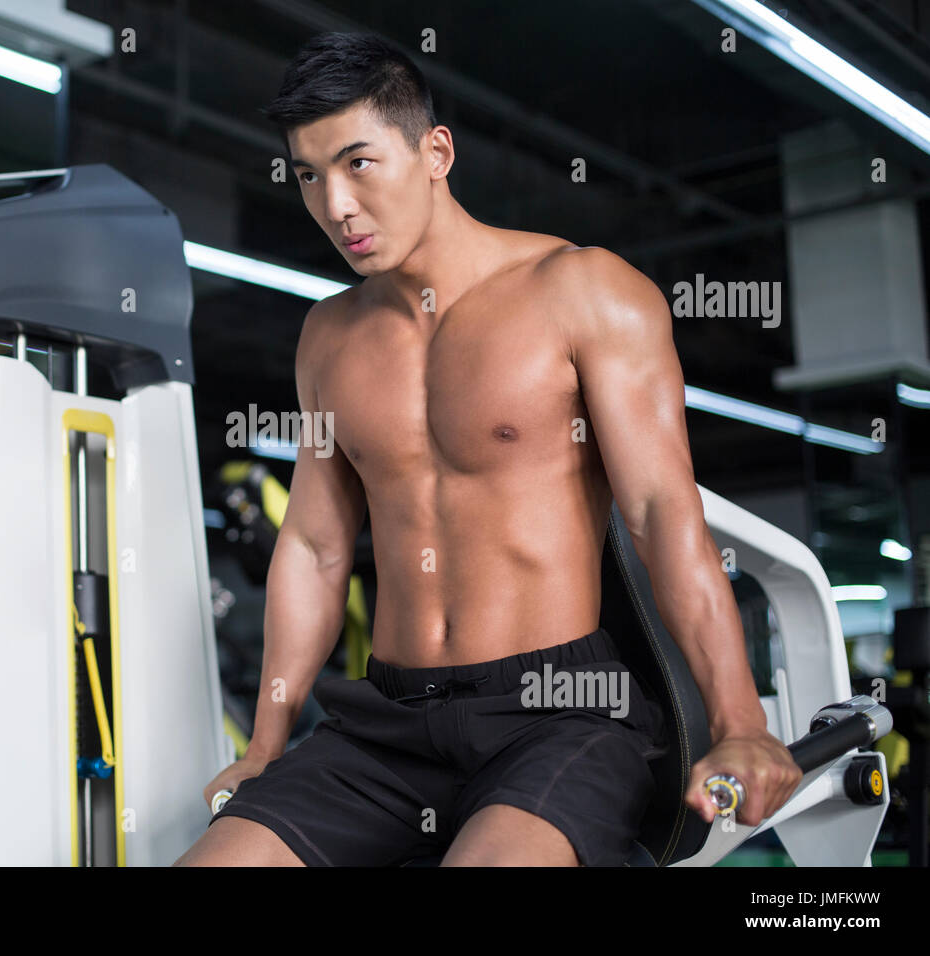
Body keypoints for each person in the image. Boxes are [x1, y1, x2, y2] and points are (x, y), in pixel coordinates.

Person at [173, 31, 800, 867]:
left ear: (435, 152)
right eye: (309, 176)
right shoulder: (327, 337)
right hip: (385, 724)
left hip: (559, 714)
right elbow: (318, 548)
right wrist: (264, 746)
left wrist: (741, 724)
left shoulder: (584, 292)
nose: (336, 206)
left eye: (359, 164)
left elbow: (661, 514)